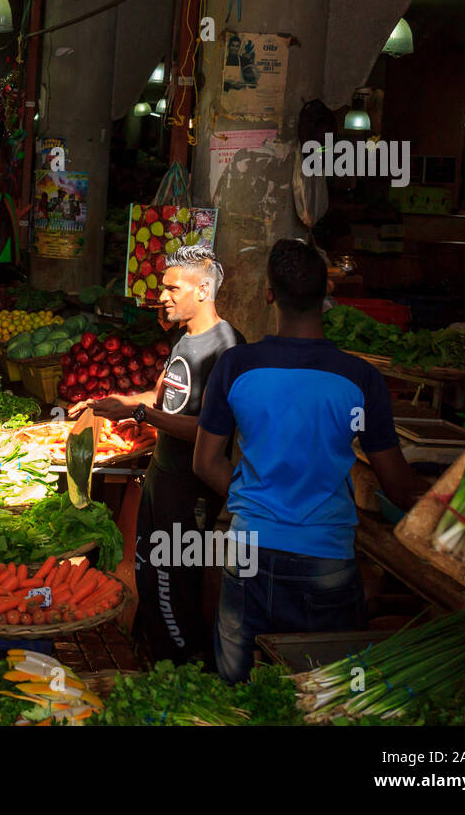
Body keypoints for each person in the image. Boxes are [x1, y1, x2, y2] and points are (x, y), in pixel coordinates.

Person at [193, 239, 427, 683]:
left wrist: (257, 501)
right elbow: (398, 487)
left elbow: (205, 464)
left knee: (238, 695)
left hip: (249, 549)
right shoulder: (360, 379)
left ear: (268, 293)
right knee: (322, 695)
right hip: (326, 559)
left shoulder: (236, 367)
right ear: (326, 296)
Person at [71, 245, 241, 667]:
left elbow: (208, 430)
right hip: (163, 481)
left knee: (173, 590)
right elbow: (160, 397)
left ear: (203, 290)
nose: (161, 297)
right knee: (152, 579)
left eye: (172, 289)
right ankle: (159, 666)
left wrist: (146, 415)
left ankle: (182, 676)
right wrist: (117, 402)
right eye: (162, 288)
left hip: (190, 493)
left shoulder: (225, 349)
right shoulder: (187, 338)